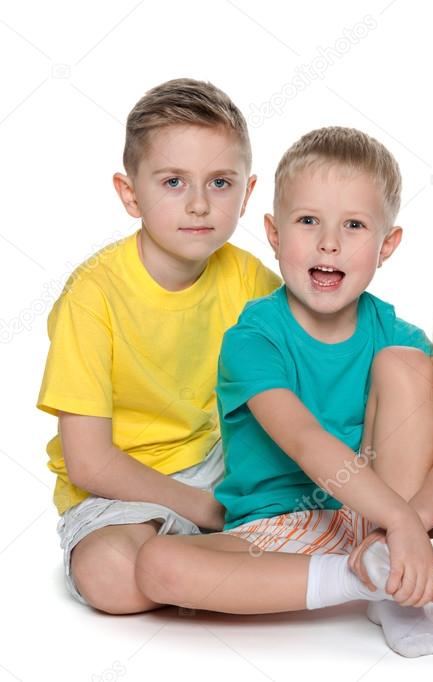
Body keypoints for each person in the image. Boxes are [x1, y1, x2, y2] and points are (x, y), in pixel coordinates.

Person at [133, 126, 433, 658]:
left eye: (355, 225)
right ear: (273, 232)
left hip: (380, 517)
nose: (329, 242)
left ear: (388, 245)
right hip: (276, 527)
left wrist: (408, 522)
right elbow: (304, 440)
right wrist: (401, 521)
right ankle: (357, 579)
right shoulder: (254, 338)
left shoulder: (399, 337)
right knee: (157, 566)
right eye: (308, 220)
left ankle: (394, 581)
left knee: (404, 365)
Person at [38, 78, 280, 614]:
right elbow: (90, 462)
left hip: (220, 463)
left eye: (220, 182)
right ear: (131, 194)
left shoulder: (249, 279)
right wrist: (206, 509)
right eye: (173, 182)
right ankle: (233, 549)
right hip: (120, 488)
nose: (198, 204)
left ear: (247, 192)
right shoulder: (93, 295)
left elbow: (307, 366)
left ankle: (239, 555)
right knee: (113, 579)